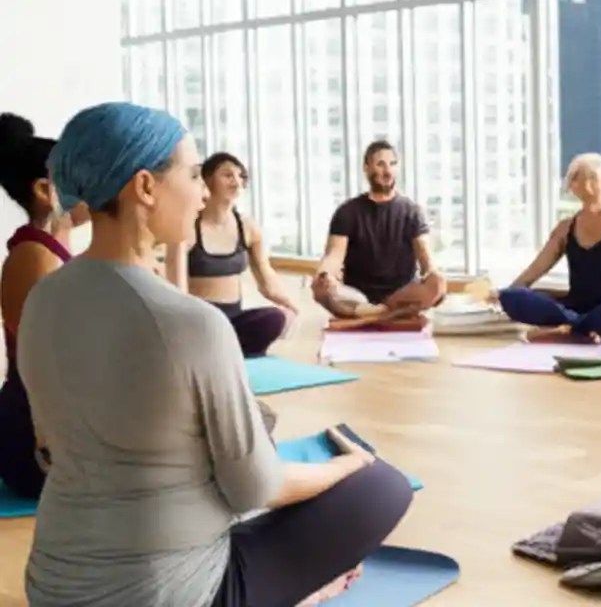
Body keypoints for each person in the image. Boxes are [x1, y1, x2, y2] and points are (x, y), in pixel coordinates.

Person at [23, 101, 411, 607]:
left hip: (53, 584)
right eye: (192, 173)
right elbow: (256, 489)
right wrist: (351, 466)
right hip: (167, 594)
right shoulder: (188, 323)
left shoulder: (44, 298)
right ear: (145, 187)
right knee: (385, 486)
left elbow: (50, 449)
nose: (203, 190)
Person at [0, 113, 89, 500]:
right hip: (34, 442)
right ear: (44, 189)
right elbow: (42, 363)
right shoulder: (34, 257)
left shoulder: (53, 248)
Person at [496, 153, 601, 343]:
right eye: (580, 179)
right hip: (573, 308)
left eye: (593, 178)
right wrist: (505, 293)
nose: (587, 185)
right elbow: (536, 269)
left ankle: (573, 328)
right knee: (513, 297)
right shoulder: (565, 227)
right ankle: (582, 327)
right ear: (573, 186)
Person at [165, 152, 299, 357]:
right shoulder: (187, 228)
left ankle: (222, 351)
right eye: (227, 175)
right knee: (211, 329)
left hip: (234, 319)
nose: (236, 182)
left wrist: (289, 306)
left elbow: (266, 278)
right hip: (201, 319)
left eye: (241, 176)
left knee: (274, 318)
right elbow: (177, 288)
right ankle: (219, 350)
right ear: (206, 181)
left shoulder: (248, 227)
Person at [312, 140, 446, 320]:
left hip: (402, 295)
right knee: (322, 289)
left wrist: (433, 276)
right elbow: (334, 256)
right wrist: (325, 275)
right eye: (380, 164)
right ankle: (384, 313)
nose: (388, 171)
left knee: (437, 284)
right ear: (366, 167)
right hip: (357, 295)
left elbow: (426, 260)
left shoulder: (412, 212)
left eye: (392, 164)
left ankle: (374, 312)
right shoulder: (348, 211)